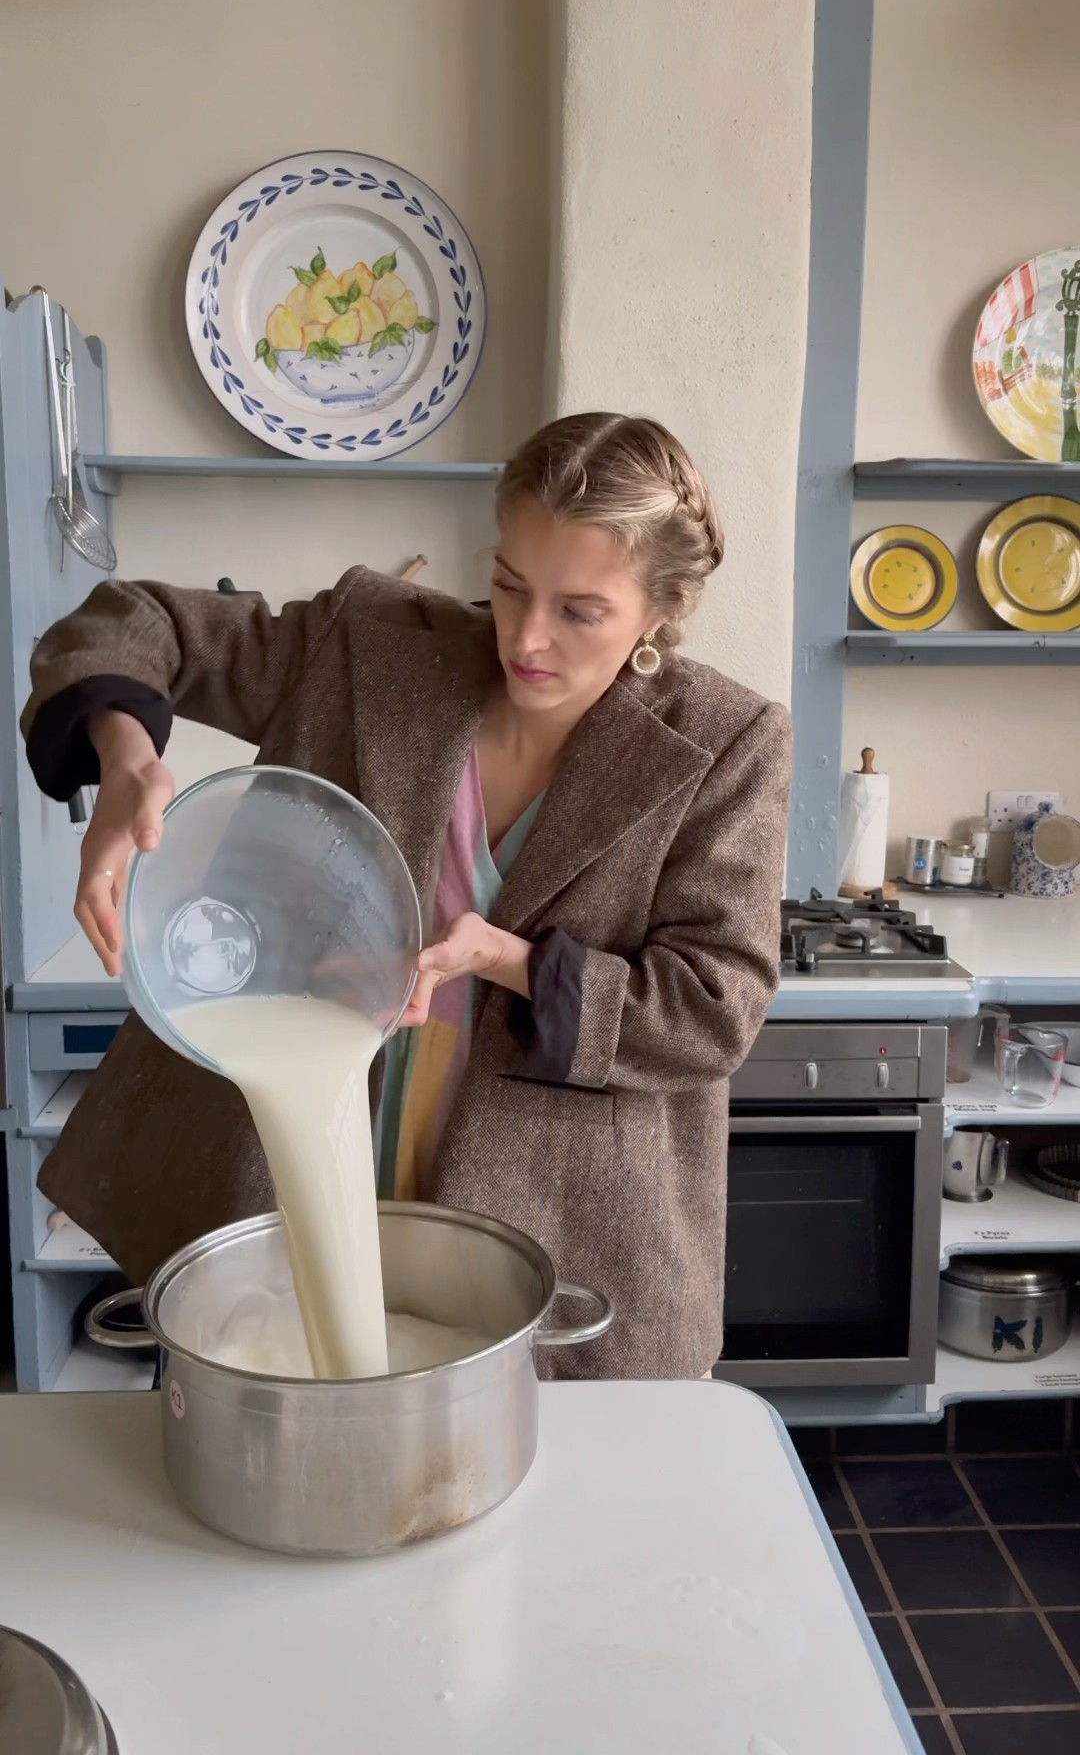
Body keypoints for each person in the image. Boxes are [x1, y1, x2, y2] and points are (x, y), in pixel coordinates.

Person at [22, 412, 791, 1379]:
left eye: (580, 610)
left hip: (554, 1210)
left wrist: (507, 961)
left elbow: (712, 1010)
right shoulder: (373, 643)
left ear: (662, 608)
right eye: (510, 586)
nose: (528, 638)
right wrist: (125, 751)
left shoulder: (729, 742)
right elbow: (135, 622)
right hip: (288, 1164)